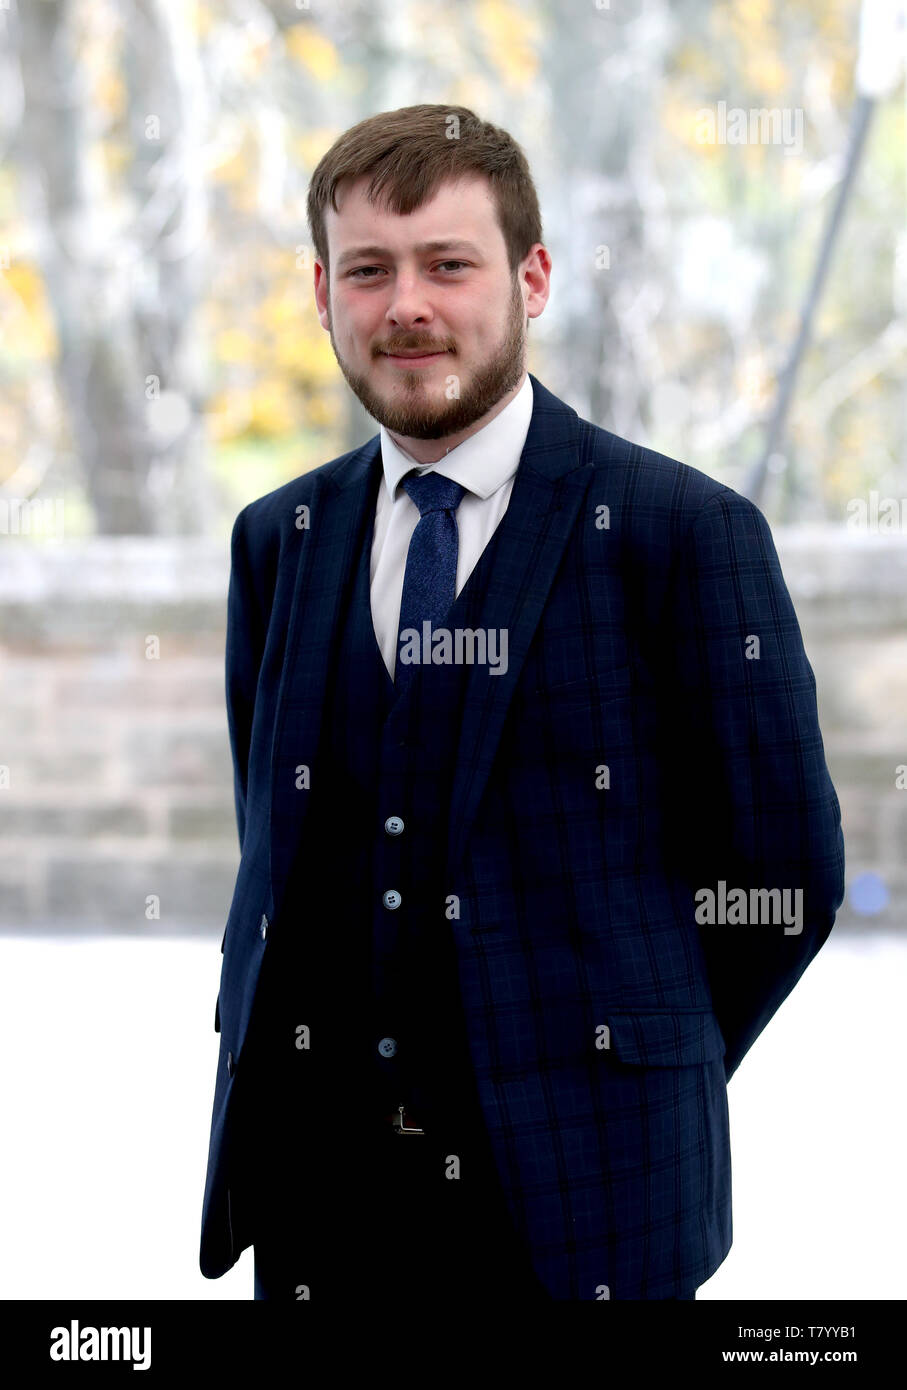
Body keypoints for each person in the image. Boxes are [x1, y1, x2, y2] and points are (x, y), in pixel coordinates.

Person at [199, 104, 845, 1302]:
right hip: (320, 1202)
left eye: (449, 263)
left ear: (531, 275)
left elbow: (783, 877)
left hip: (585, 1212)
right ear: (321, 292)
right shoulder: (275, 541)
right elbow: (278, 846)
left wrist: (636, 1058)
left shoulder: (682, 535)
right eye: (368, 270)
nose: (408, 306)